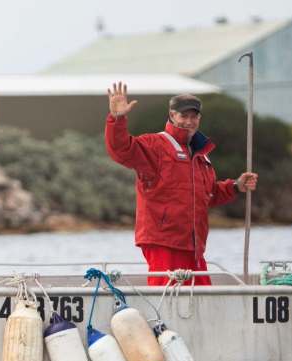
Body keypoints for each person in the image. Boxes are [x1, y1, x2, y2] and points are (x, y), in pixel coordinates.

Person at [104, 83, 258, 286]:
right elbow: (121, 149)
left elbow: (208, 195)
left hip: (194, 246)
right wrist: (117, 118)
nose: (189, 121)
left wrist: (236, 186)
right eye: (183, 116)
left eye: (194, 116)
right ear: (171, 115)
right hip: (163, 242)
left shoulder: (200, 154)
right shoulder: (155, 144)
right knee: (166, 300)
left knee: (203, 300)